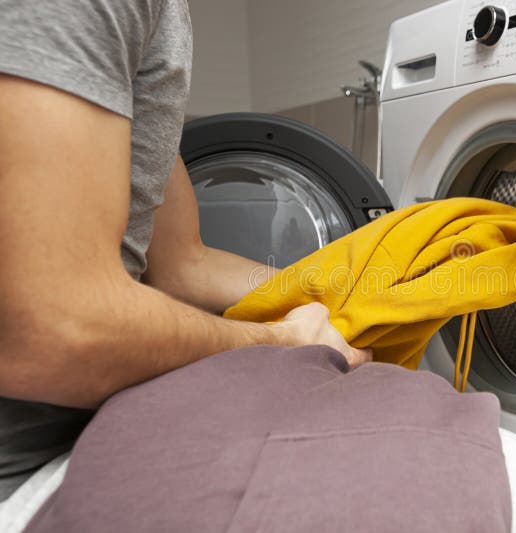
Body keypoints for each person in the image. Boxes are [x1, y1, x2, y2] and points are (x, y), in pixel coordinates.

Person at [0, 0, 370, 501]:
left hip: (88, 424)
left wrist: (338, 290)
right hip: (22, 462)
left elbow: (182, 266)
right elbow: (53, 330)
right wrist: (281, 342)